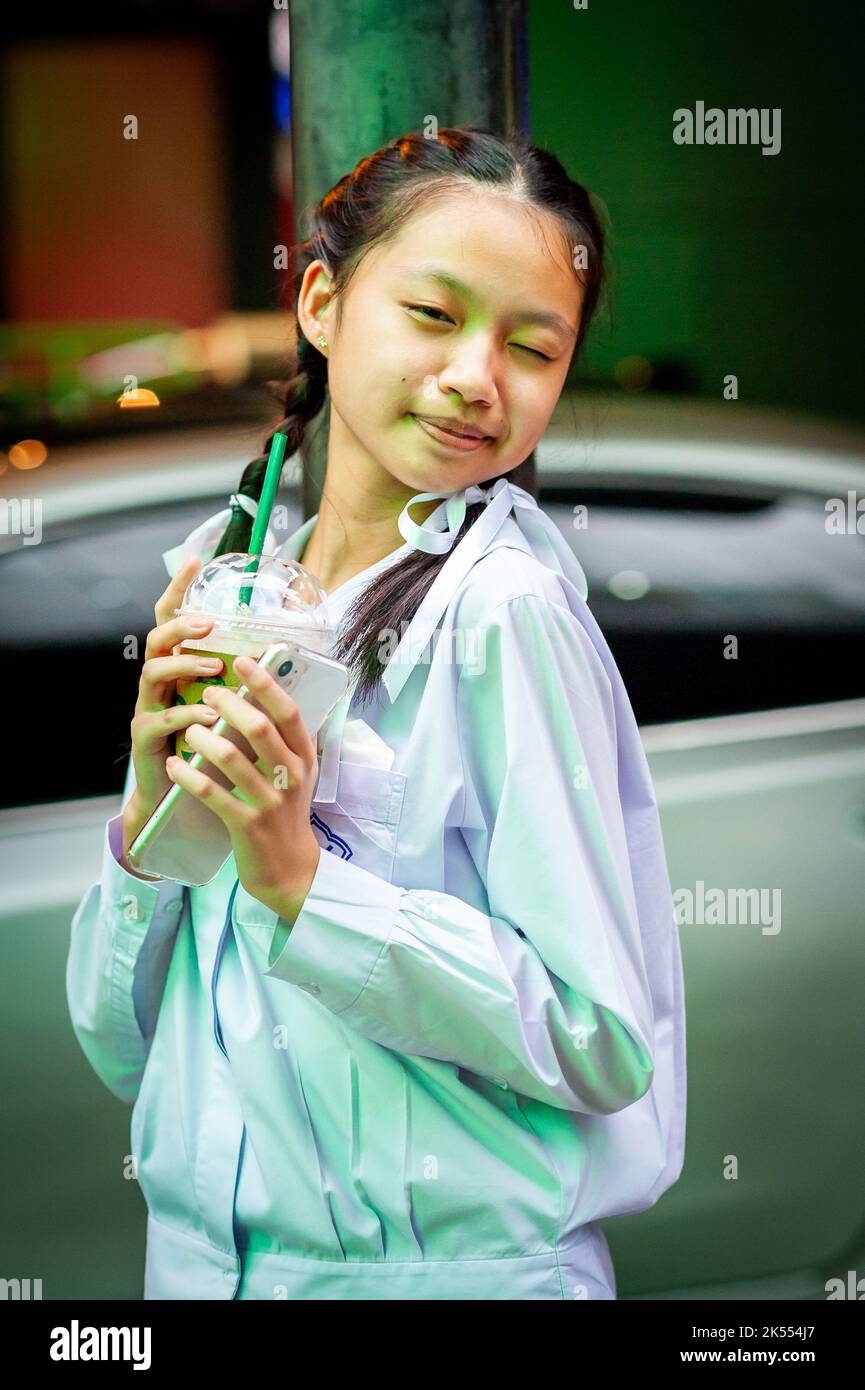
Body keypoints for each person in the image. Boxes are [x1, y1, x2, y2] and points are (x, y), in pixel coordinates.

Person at [67, 125, 686, 1301]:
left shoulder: (503, 615)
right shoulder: (225, 582)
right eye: (435, 315)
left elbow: (603, 1035)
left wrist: (305, 878)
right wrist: (151, 821)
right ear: (320, 302)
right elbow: (123, 1050)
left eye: (533, 347)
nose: (476, 378)